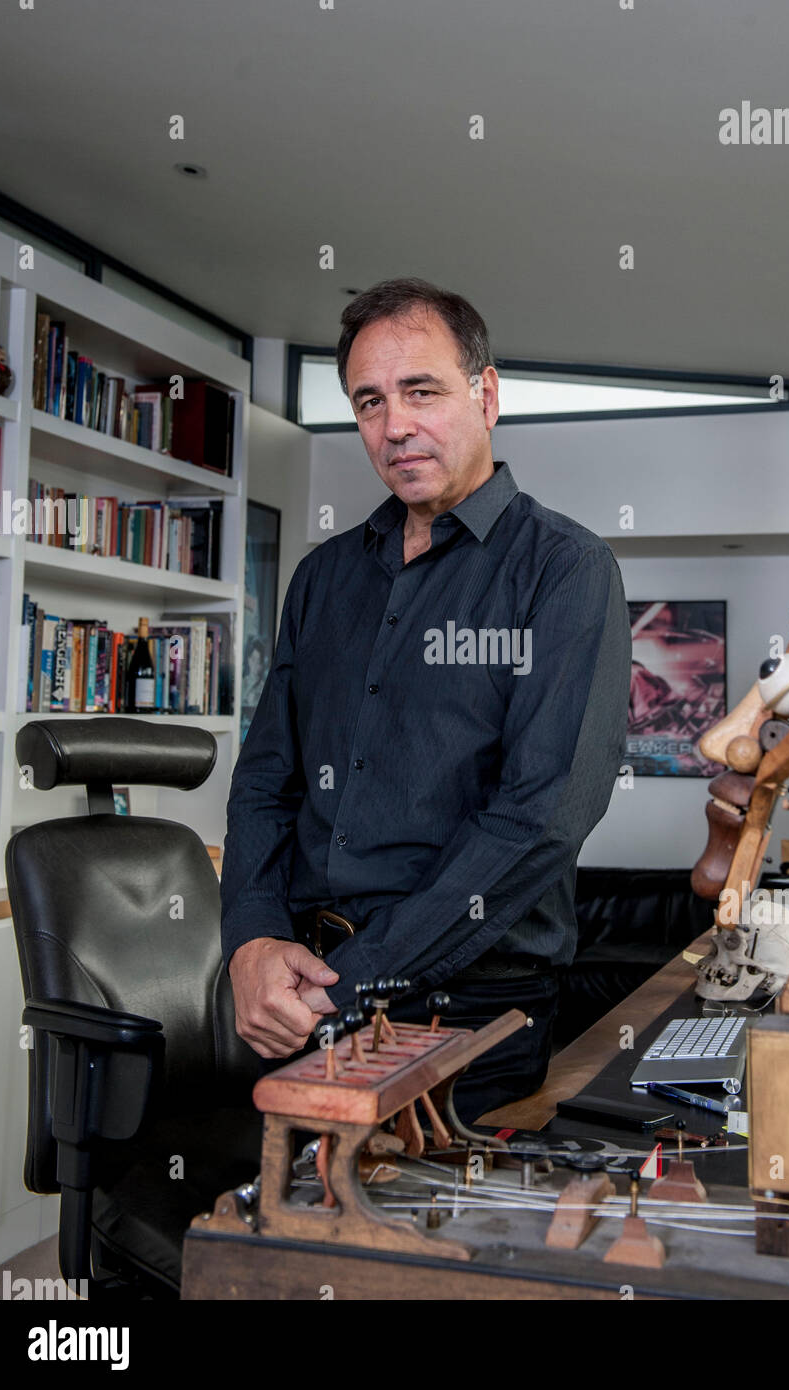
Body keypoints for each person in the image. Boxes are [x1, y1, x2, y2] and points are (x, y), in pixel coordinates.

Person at [221, 277, 631, 1121]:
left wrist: (363, 978)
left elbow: (543, 812)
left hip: (468, 1006)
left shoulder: (565, 571)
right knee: (268, 1232)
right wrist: (253, 940)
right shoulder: (322, 579)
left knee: (410, 1242)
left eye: (420, 391)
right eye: (368, 401)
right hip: (301, 992)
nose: (394, 425)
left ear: (485, 395)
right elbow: (266, 778)